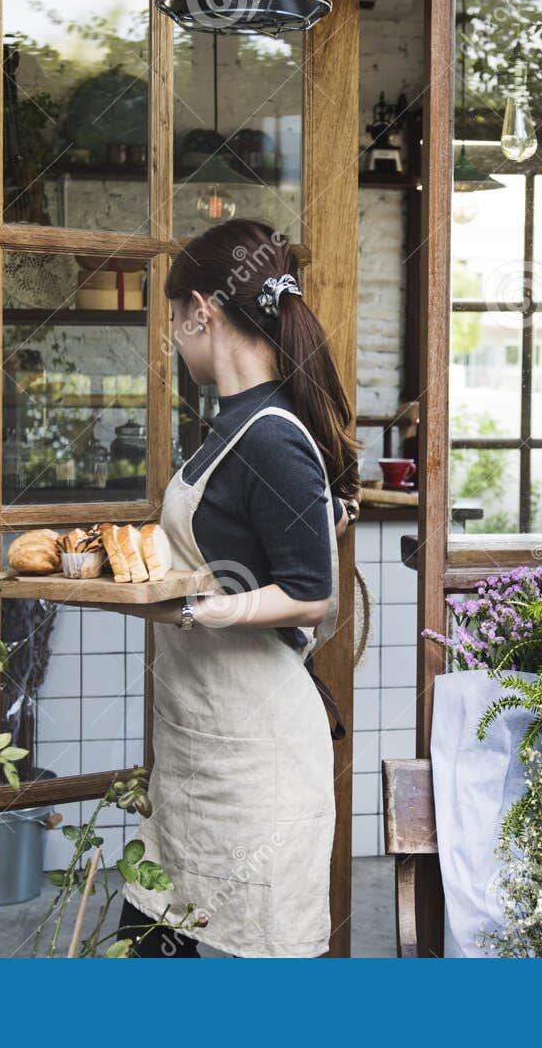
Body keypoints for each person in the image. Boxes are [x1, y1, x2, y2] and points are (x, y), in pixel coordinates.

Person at [94, 219, 360, 957]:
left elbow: (310, 594)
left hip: (255, 761)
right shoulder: (233, 425)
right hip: (200, 747)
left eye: (174, 318)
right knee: (152, 939)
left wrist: (197, 610)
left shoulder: (269, 433)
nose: (172, 338)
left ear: (202, 311)